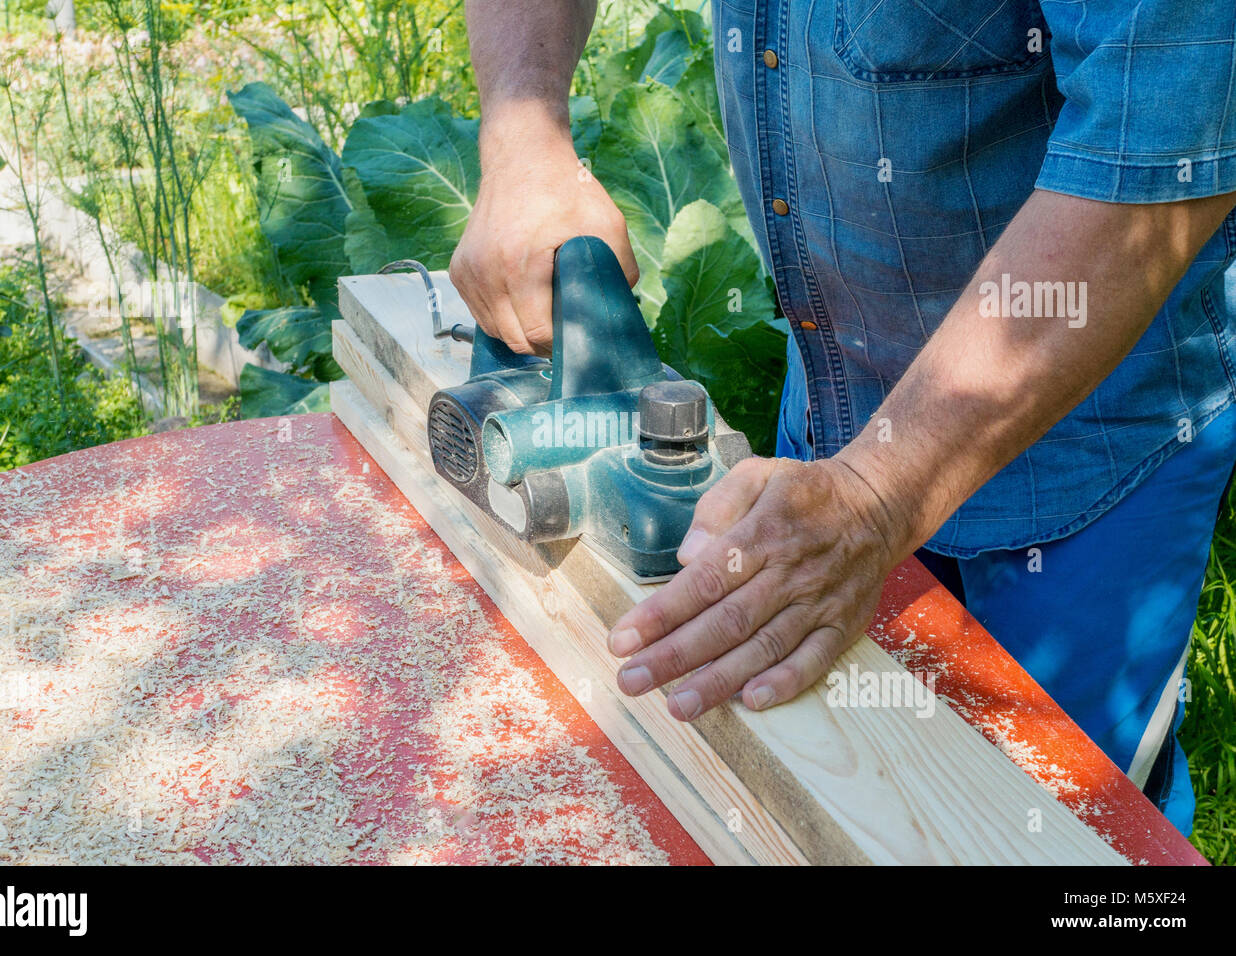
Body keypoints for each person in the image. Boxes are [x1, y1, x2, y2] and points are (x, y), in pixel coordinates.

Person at [449, 0, 1236, 835]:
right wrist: (524, 131)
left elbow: (1162, 148)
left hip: (1087, 449)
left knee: (1054, 834)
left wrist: (877, 496)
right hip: (835, 408)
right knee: (832, 791)